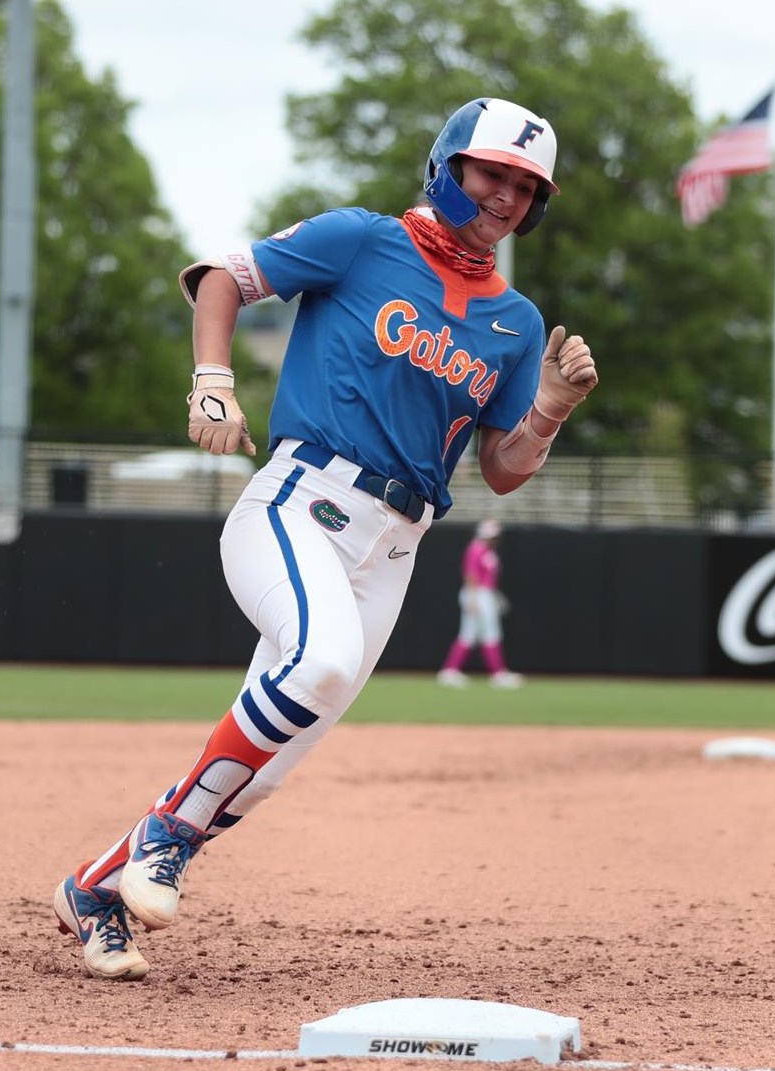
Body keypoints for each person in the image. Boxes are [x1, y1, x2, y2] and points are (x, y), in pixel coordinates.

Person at [52, 97, 598, 980]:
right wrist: (212, 379)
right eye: (492, 171)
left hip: (396, 546)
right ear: (447, 162)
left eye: (526, 185)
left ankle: (94, 888)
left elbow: (501, 468)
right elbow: (221, 276)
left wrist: (547, 410)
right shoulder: (363, 239)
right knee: (320, 665)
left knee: (269, 764)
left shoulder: (516, 321)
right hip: (302, 503)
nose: (506, 195)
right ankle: (163, 837)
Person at [435, 519, 523, 687]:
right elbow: (471, 575)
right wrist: (473, 598)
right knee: (488, 633)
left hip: (485, 594)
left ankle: (451, 671)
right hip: (477, 594)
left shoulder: (487, 551)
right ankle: (497, 674)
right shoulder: (476, 548)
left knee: (470, 634)